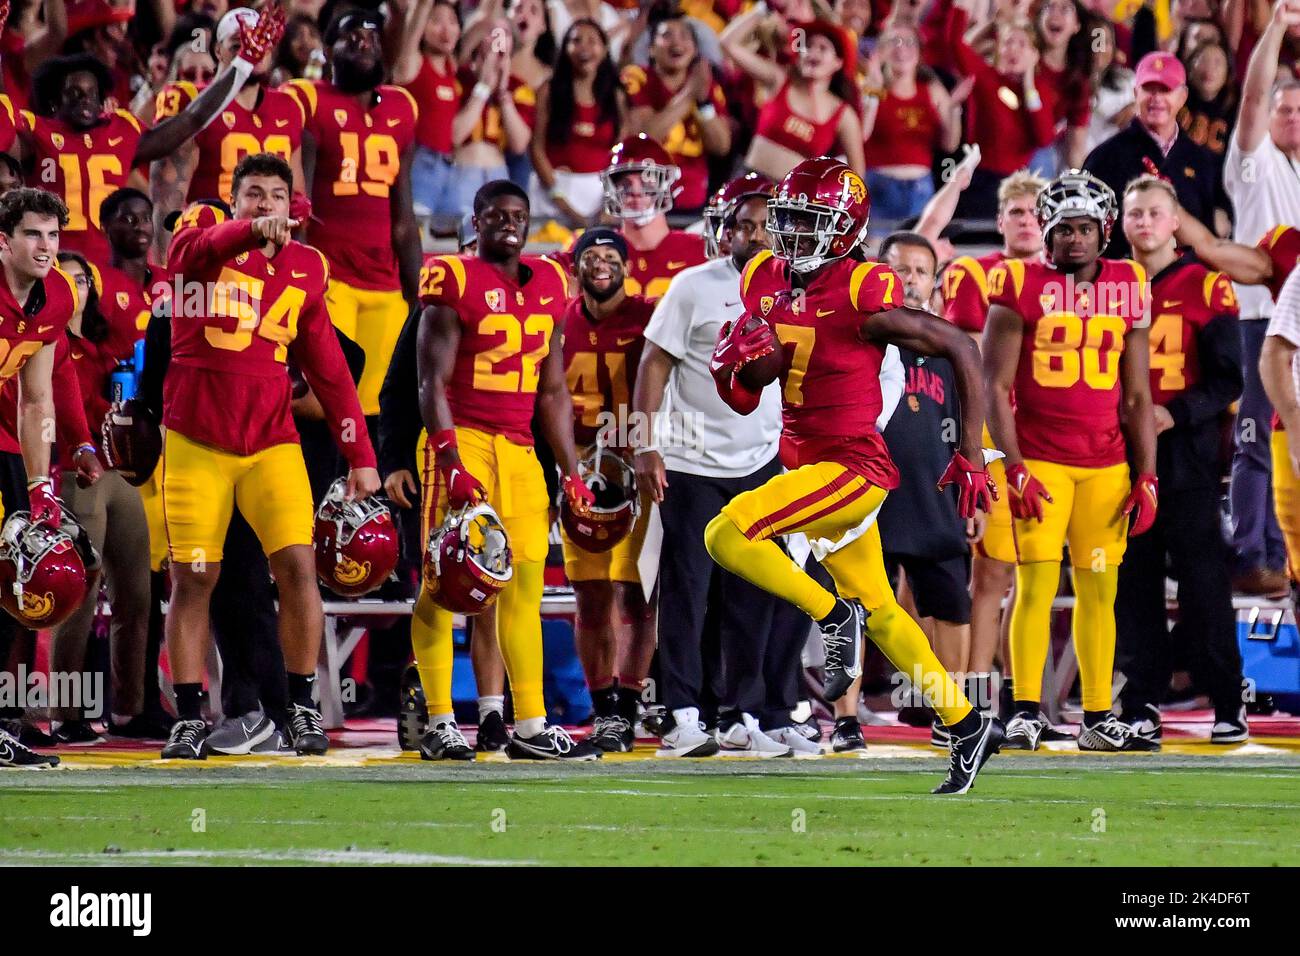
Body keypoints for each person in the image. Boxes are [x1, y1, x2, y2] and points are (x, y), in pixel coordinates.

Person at [701, 157, 1004, 793]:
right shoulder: (763, 275)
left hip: (852, 467)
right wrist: (736, 368)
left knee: (725, 536)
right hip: (805, 459)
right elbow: (749, 397)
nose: (793, 236)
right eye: (788, 222)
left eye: (810, 223)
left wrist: (972, 454)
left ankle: (830, 615)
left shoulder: (865, 289)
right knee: (887, 613)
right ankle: (967, 721)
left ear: (844, 229)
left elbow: (962, 346)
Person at [157, 152, 381, 760]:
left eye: (274, 196)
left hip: (270, 442)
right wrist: (247, 230)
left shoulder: (308, 266)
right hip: (196, 438)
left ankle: (302, 706)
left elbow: (329, 367)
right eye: (252, 193)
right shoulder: (203, 228)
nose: (263, 204)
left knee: (297, 569)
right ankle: (190, 715)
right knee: (195, 576)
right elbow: (183, 258)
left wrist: (359, 451)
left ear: (293, 206)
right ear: (234, 201)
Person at [413, 179, 599, 761]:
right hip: (462, 438)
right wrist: (449, 459)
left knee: (522, 590)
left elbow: (553, 392)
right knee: (444, 583)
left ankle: (529, 723)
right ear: (475, 221)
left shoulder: (549, 283)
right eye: (495, 214)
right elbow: (430, 382)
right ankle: (441, 721)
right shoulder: (453, 276)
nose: (508, 223)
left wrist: (570, 472)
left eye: (517, 214)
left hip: (519, 449)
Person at [632, 176, 815, 758]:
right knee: (687, 589)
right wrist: (644, 444)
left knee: (756, 591)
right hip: (689, 458)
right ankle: (683, 712)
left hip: (762, 461)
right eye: (742, 224)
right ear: (725, 230)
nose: (753, 234)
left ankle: (746, 712)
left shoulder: (793, 290)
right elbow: (653, 365)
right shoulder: (693, 285)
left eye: (764, 224)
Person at [983, 169, 1159, 752]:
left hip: (1106, 464)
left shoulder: (1130, 281)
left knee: (1099, 590)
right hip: (1041, 460)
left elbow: (1138, 396)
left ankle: (1098, 714)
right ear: (1047, 232)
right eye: (1064, 229)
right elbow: (993, 386)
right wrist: (1012, 465)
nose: (1075, 240)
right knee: (1032, 586)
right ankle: (1026, 709)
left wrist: (1147, 473)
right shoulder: (1016, 282)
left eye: (1085, 228)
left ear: (1103, 231)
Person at [1116, 174, 1248, 746]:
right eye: (1134, 213)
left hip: (1186, 456)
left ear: (1175, 222)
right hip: (1119, 455)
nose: (1143, 222)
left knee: (1203, 580)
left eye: (1153, 213)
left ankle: (1225, 697)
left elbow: (1228, 379)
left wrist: (1176, 412)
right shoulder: (1107, 285)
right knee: (1134, 579)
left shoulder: (1206, 285)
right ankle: (1141, 699)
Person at [8, 3, 285, 266]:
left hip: (111, 269)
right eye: (75, 94)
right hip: (54, 265)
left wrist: (243, 64)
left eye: (92, 94)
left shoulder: (120, 132)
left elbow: (193, 118)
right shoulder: (36, 133)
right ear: (54, 102)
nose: (85, 101)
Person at [287, 7, 422, 423]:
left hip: (384, 281)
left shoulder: (402, 106)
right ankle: (327, 487)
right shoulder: (308, 99)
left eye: (372, 38)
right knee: (324, 400)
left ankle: (371, 488)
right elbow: (300, 204)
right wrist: (305, 280)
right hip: (333, 278)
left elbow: (403, 214)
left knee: (382, 405)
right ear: (328, 50)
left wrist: (417, 294)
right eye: (352, 38)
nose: (364, 45)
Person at [875, 231, 980, 750]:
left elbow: (968, 424)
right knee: (854, 605)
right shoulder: (864, 334)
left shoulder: (949, 344)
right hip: (868, 489)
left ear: (934, 282)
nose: (910, 278)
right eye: (900, 268)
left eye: (920, 270)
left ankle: (952, 711)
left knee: (951, 605)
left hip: (934, 491)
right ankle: (848, 718)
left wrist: (975, 487)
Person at [560, 227, 656, 752]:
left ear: (626, 265)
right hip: (580, 471)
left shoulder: (650, 317)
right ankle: (604, 709)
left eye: (610, 257)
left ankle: (629, 703)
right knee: (592, 594)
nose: (601, 265)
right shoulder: (558, 320)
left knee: (637, 595)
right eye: (591, 257)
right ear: (575, 266)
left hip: (636, 468)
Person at [0, 186, 86, 768]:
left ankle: (4, 722)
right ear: (3, 241)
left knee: (15, 578)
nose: (46, 247)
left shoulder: (55, 294)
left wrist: (40, 488)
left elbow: (36, 400)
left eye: (53, 235)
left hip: (7, 439)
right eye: (33, 234)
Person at [1222, 0, 1300, 597]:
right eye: (1283, 107)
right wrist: (1274, 28)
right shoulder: (1255, 164)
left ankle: (1283, 551)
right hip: (1258, 319)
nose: (1290, 113)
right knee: (1257, 431)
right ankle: (1254, 551)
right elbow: (1250, 101)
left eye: (1299, 107)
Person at [150, 6, 305, 262]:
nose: (251, 53)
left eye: (259, 42)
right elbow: (166, 202)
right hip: (210, 250)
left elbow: (297, 198)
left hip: (267, 253)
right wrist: (167, 276)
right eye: (238, 45)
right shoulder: (189, 99)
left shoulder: (288, 106)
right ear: (217, 51)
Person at [1082, 51, 1229, 258]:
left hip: (1184, 282)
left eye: (1165, 89)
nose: (1156, 98)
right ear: (1135, 93)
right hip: (1124, 283)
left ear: (1182, 96)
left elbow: (1208, 237)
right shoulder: (1104, 158)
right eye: (1149, 89)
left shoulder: (1201, 160)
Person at [942, 0, 1056, 219]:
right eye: (1007, 43)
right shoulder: (986, 77)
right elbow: (953, 42)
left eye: (1022, 44)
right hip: (981, 183)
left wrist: (1028, 83)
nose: (1013, 49)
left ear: (1035, 54)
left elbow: (1043, 138)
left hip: (1019, 185)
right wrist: (961, 5)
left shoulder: (1039, 89)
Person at [720, 10, 865, 181]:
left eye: (823, 48)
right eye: (808, 46)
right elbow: (727, 44)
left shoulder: (844, 115)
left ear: (838, 63)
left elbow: (857, 176)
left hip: (793, 201)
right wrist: (762, 10)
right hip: (747, 186)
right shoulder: (778, 80)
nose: (812, 52)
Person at [621, 14, 731, 215]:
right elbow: (643, 138)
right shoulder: (637, 77)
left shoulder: (707, 86)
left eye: (685, 36)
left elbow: (722, 146)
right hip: (645, 201)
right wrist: (690, 93)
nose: (677, 42)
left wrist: (704, 102)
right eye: (667, 35)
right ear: (651, 49)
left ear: (695, 50)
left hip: (694, 200)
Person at [860, 23, 965, 223]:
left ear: (919, 53)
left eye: (909, 42)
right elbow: (862, 135)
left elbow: (950, 145)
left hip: (920, 188)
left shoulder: (932, 89)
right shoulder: (870, 87)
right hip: (879, 187)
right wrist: (873, 90)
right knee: (876, 253)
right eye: (894, 42)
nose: (902, 48)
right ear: (881, 51)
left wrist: (954, 108)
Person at [531, 19, 626, 224]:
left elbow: (621, 153)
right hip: (553, 192)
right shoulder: (549, 91)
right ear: (565, 48)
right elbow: (537, 149)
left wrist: (609, 203)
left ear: (604, 48)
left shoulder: (615, 96)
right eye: (576, 41)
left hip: (601, 196)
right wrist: (561, 199)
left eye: (592, 41)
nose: (584, 48)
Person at [393, 0, 463, 225]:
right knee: (420, 232)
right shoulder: (412, 64)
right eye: (437, 22)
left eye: (452, 22)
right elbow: (413, 28)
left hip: (450, 166)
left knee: (449, 242)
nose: (446, 30)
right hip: (419, 164)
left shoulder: (452, 68)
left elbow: (485, 24)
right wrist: (423, 6)